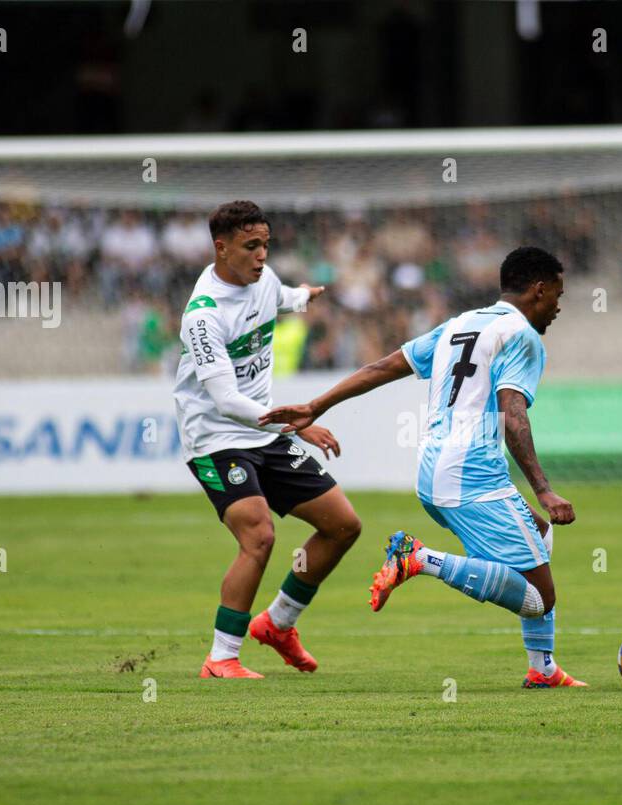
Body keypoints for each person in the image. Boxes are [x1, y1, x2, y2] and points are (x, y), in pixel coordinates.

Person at [261, 247, 585, 689]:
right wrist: (544, 489)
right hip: (473, 478)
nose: (558, 307)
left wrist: (316, 406)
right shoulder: (523, 337)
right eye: (557, 296)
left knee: (540, 538)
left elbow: (383, 366)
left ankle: (543, 670)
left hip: (434, 472)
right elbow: (513, 414)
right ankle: (418, 558)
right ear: (538, 289)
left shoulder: (460, 324)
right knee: (538, 598)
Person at [174, 200, 362, 680]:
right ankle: (220, 657)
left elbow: (278, 296)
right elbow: (225, 399)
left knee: (343, 526)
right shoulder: (204, 315)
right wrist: (295, 424)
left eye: (266, 245)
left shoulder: (263, 278)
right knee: (259, 535)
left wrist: (302, 297)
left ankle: (278, 623)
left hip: (264, 431)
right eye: (251, 246)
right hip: (217, 437)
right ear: (221, 248)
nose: (261, 256)